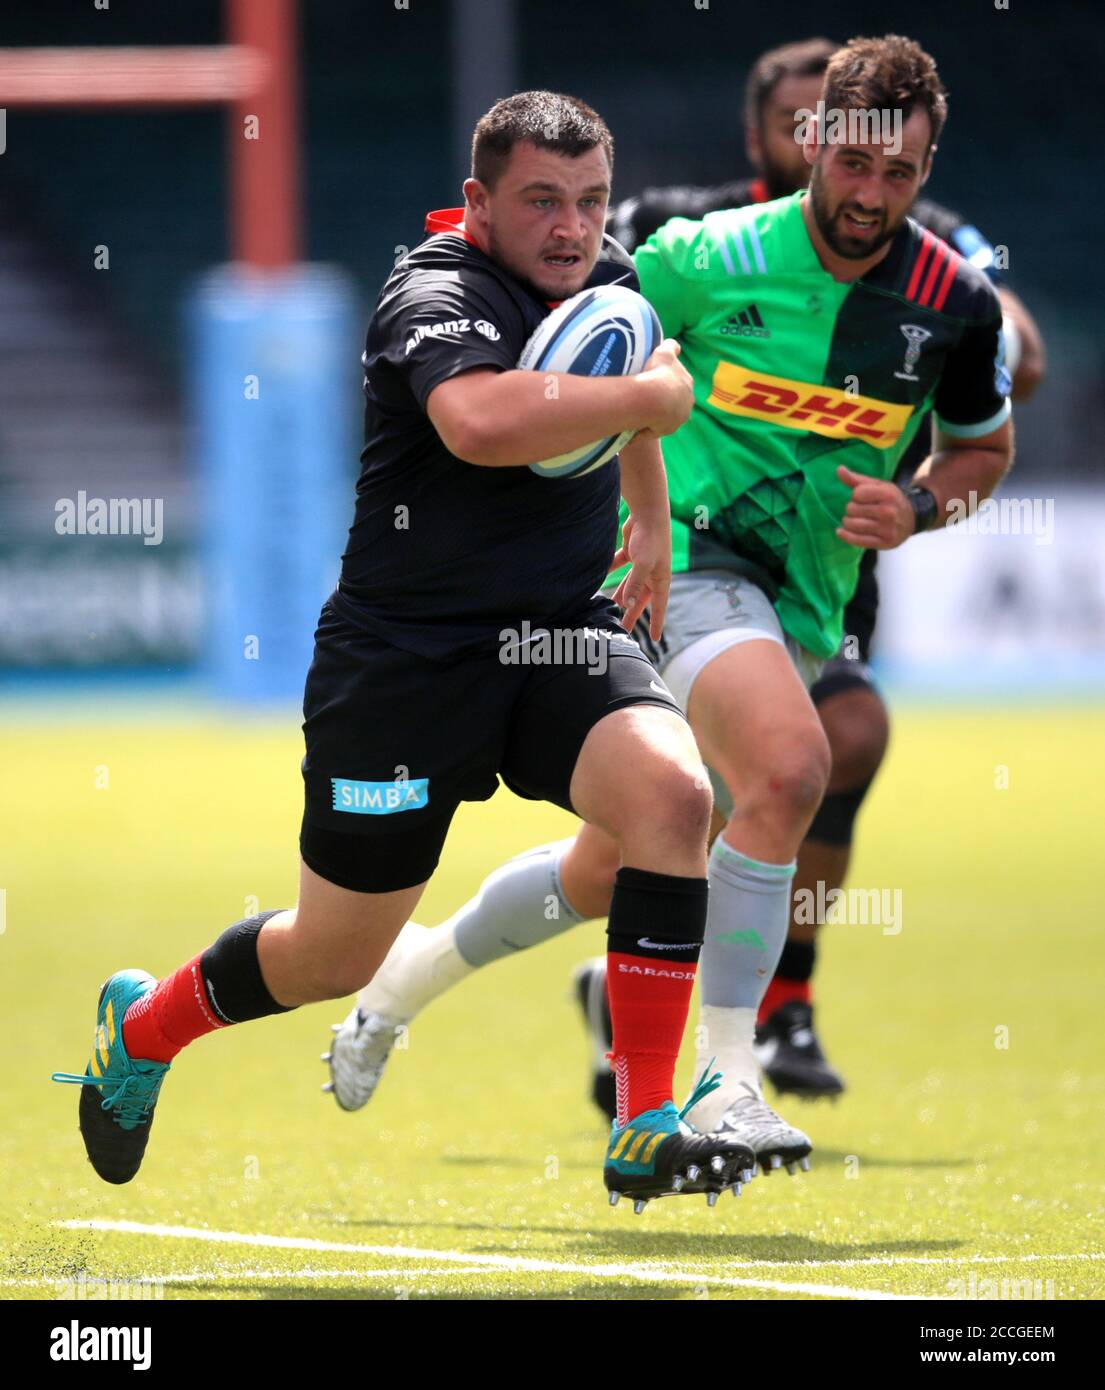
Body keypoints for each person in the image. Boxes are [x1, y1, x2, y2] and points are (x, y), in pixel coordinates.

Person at [52, 90, 757, 1211]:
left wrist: (653, 514)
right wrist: (655, 399)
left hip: (556, 632)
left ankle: (643, 1117)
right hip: (404, 661)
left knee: (676, 799)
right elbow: (483, 422)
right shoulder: (432, 292)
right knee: (331, 954)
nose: (571, 227)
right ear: (478, 203)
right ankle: (144, 1024)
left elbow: (625, 397)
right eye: (540, 202)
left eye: (588, 200)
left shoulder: (606, 276)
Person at [324, 37, 1015, 1177]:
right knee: (794, 765)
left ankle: (399, 983)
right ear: (814, 144)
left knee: (625, 860)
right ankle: (730, 1078)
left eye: (900, 174)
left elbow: (982, 448)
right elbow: (581, 349)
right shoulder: (700, 257)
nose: (870, 195)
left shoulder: (952, 302)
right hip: (675, 563)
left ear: (925, 165)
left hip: (796, 601)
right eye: (853, 167)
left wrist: (921, 501)